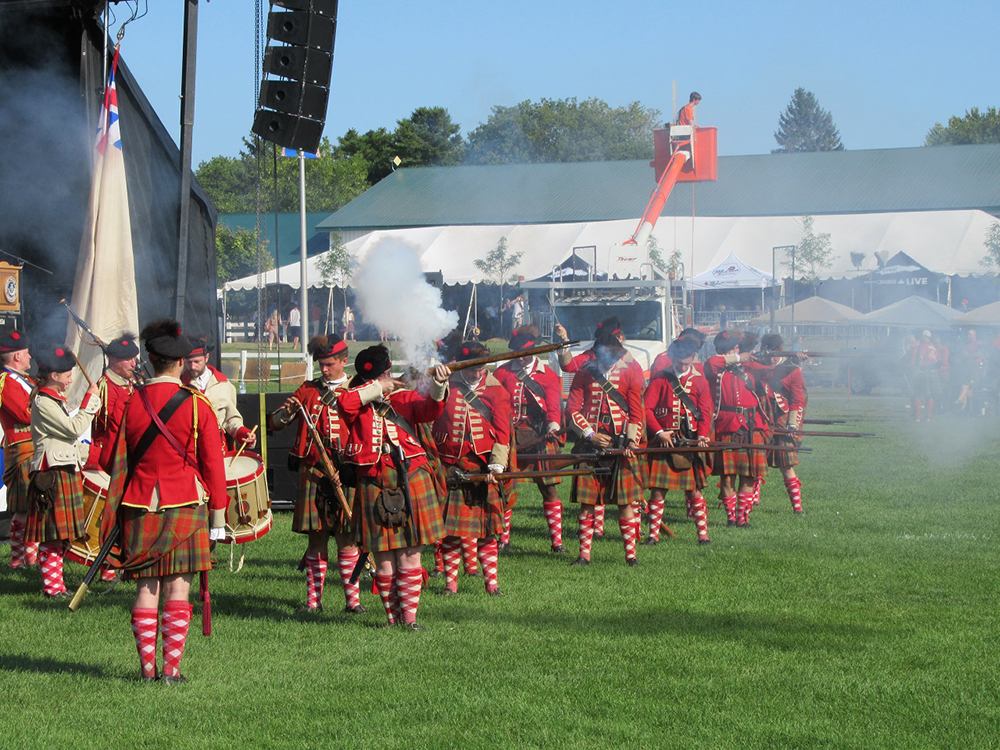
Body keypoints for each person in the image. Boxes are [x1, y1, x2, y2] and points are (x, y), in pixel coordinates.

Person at [100, 319, 227, 683]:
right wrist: (218, 518)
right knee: (179, 586)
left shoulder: (130, 402)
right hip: (184, 502)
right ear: (180, 362)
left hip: (139, 505)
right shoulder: (197, 404)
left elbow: (112, 458)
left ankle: (146, 669)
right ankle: (171, 671)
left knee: (146, 587)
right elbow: (213, 466)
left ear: (151, 360)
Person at [338, 346, 451, 628]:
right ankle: (392, 619)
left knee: (410, 552)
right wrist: (378, 387)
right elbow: (346, 405)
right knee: (384, 557)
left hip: (411, 475)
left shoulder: (404, 398)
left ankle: (409, 619)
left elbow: (430, 410)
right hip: (374, 478)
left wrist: (439, 384)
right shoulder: (357, 398)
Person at [268, 334, 363, 613]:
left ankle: (352, 601)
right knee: (316, 537)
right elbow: (275, 421)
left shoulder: (356, 389)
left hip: (346, 471)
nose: (324, 369)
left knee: (347, 537)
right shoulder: (308, 390)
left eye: (330, 364)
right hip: (314, 471)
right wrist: (285, 414)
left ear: (344, 361)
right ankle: (313, 602)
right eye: (322, 363)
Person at [433, 340, 511, 596]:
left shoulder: (497, 392)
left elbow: (502, 433)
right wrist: (439, 380)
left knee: (487, 533)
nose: (476, 373)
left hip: (482, 466)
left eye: (480, 368)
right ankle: (450, 586)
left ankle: (493, 584)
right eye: (471, 368)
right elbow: (431, 407)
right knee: (450, 534)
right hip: (451, 465)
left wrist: (496, 465)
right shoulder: (448, 386)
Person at [566, 317, 645, 566]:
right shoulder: (584, 372)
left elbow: (636, 411)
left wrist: (631, 442)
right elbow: (572, 409)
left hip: (620, 444)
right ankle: (584, 554)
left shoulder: (631, 370)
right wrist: (590, 434)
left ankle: (630, 555)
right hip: (590, 445)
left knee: (625, 504)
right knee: (587, 504)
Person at [24, 345, 100, 596]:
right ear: (54, 376)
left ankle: (56, 584)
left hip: (62, 469)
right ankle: (52, 587)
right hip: (50, 473)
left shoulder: (53, 399)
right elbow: (72, 429)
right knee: (51, 534)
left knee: (61, 534)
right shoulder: (44, 402)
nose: (70, 379)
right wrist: (90, 403)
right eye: (67, 375)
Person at [493, 325, 565, 553]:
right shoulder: (502, 373)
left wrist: (553, 425)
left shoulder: (548, 375)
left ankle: (557, 542)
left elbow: (554, 407)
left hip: (539, 435)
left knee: (549, 489)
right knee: (505, 488)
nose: (523, 360)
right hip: (511, 438)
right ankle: (503, 539)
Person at [643, 336, 714, 545]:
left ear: (693, 357)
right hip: (665, 441)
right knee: (658, 490)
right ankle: (653, 535)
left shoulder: (700, 381)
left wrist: (702, 435)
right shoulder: (660, 379)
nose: (683, 364)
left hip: (689, 441)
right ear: (673, 357)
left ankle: (703, 535)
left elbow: (705, 411)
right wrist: (659, 432)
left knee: (694, 491)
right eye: (680, 360)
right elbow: (646, 409)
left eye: (687, 359)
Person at [703, 330, 768, 527]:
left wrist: (791, 361)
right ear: (725, 349)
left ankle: (743, 517)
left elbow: (771, 370)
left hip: (751, 424)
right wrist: (739, 357)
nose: (737, 349)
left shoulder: (749, 366)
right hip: (728, 425)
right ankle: (731, 517)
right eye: (733, 347)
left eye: (738, 346)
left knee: (749, 475)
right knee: (727, 476)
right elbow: (712, 362)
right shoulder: (716, 366)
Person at [0, 328, 38, 570]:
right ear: (16, 357)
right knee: (25, 508)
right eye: (26, 353)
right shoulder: (6, 383)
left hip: (34, 449)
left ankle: (26, 559)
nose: (30, 357)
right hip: (22, 449)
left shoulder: (28, 380)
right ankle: (20, 559)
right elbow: (26, 414)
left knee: (32, 507)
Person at [757, 334, 807, 514]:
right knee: (756, 465)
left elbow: (797, 400)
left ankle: (797, 508)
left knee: (787, 467)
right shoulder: (758, 367)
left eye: (774, 352)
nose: (772, 357)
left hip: (782, 421)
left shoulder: (792, 370)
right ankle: (751, 503)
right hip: (761, 421)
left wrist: (792, 424)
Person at [182, 336, 256, 451]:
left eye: (197, 362)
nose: (192, 366)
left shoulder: (225, 385)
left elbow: (230, 419)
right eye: (189, 362)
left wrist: (242, 433)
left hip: (217, 448)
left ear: (206, 358)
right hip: (188, 449)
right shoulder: (179, 384)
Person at [87, 334, 140, 473]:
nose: (133, 364)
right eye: (128, 359)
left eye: (134, 359)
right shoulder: (104, 387)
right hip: (111, 455)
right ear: (113, 359)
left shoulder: (132, 382)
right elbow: (111, 424)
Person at [909, 330, 942, 422]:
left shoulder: (918, 347)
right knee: (930, 395)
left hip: (921, 373)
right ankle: (928, 417)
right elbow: (938, 361)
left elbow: (913, 362)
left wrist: (913, 370)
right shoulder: (934, 347)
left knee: (918, 395)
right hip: (932, 373)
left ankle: (918, 417)